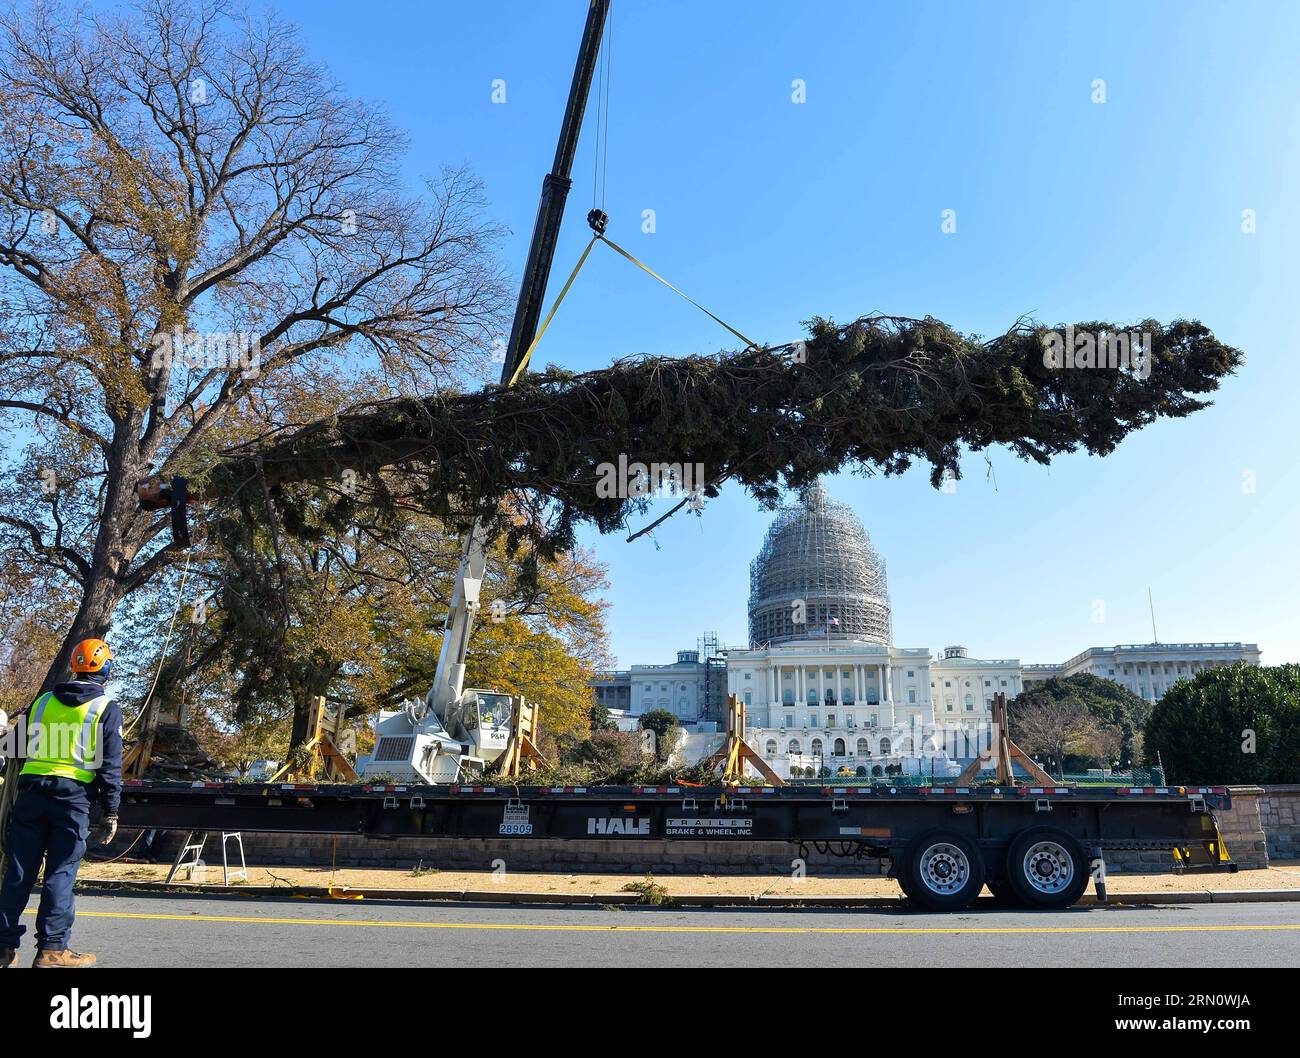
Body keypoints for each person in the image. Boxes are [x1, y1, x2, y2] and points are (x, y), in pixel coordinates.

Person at [0, 638, 122, 968]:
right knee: (60, 873)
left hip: (30, 796)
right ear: (105, 669)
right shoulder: (105, 708)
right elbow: (109, 766)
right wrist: (111, 811)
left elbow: (12, 749)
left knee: (18, 873)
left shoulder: (42, 702)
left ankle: (2, 948)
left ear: (74, 665)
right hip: (72, 801)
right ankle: (52, 950)